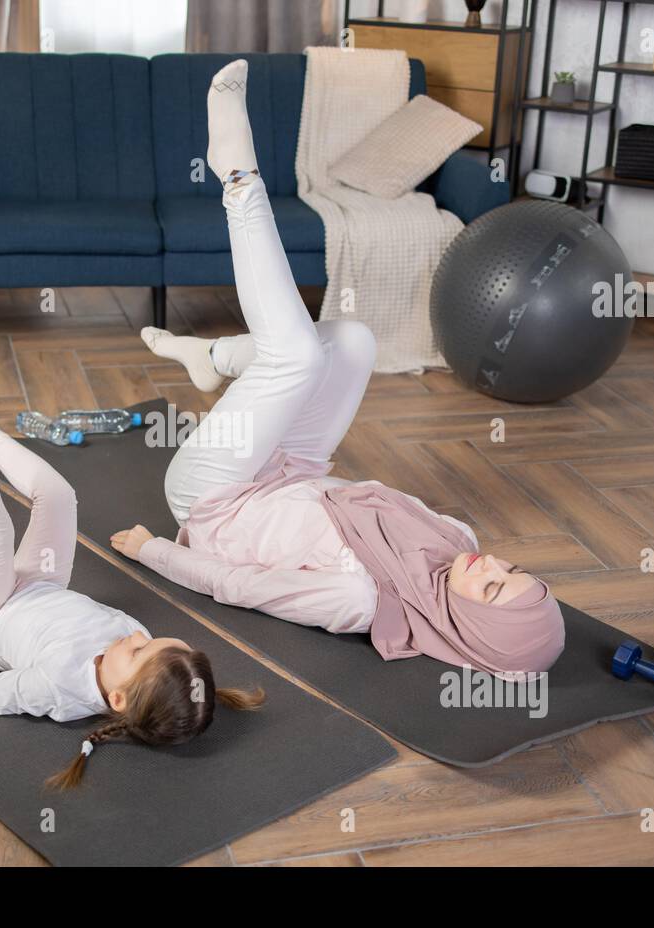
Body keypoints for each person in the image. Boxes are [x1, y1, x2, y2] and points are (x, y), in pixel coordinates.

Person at [113, 60, 564, 680]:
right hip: (289, 469)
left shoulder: (361, 603)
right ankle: (213, 357)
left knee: (296, 355)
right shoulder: (455, 539)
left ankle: (235, 173)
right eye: (511, 571)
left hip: (214, 502)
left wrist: (155, 552)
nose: (492, 566)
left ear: (473, 628)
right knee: (352, 341)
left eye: (490, 591)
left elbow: (240, 584)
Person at [0, 373, 264, 789]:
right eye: (152, 638)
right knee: (59, 496)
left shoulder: (55, 688)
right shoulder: (134, 644)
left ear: (119, 699)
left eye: (138, 651)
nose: (134, 637)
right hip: (43, 584)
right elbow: (86, 619)